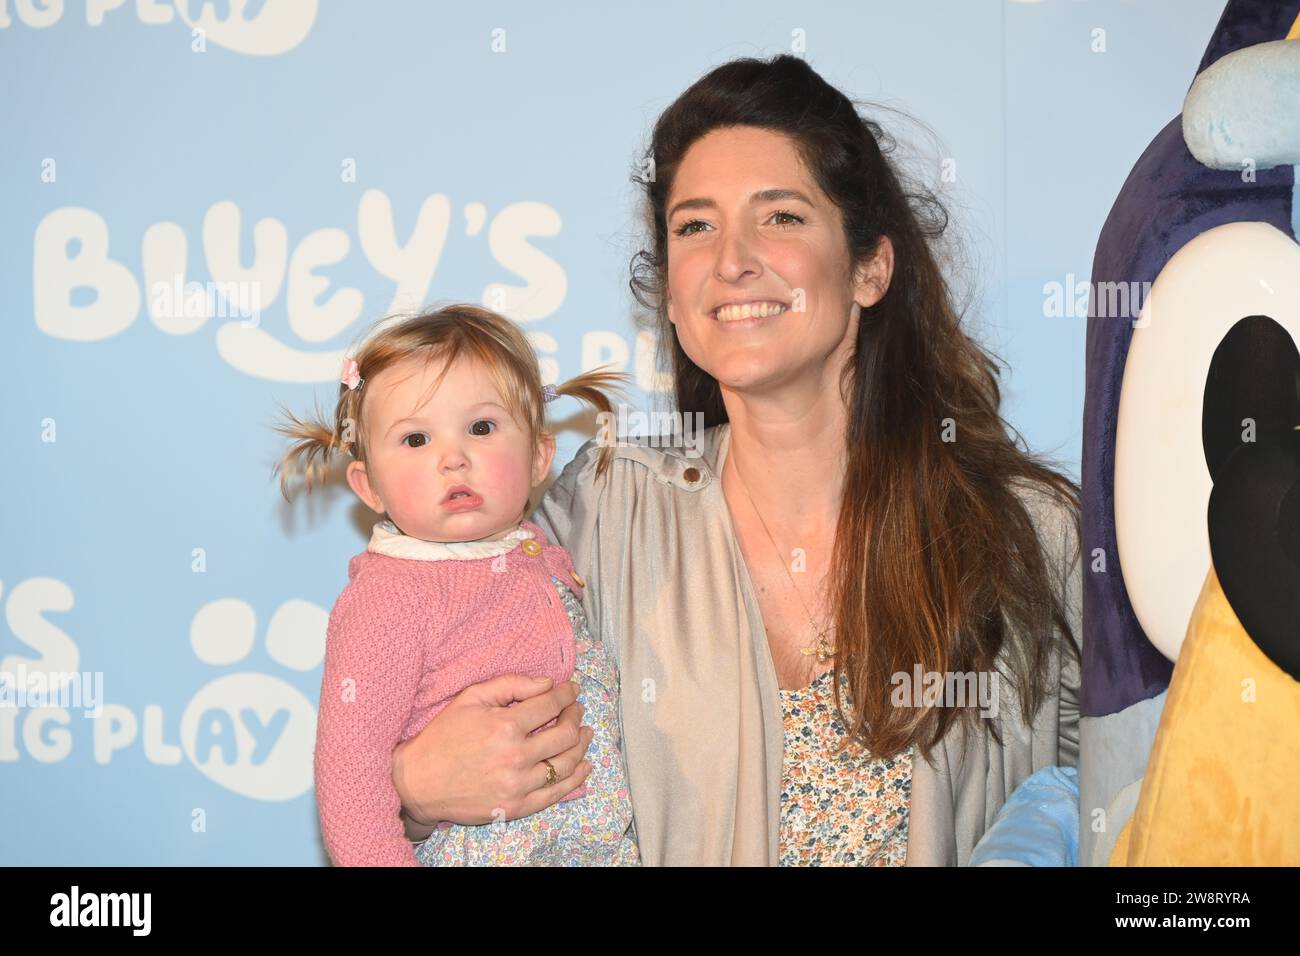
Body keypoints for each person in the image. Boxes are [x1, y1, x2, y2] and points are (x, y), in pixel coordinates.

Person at [392, 54, 1083, 866]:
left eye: (781, 217)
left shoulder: (1028, 535)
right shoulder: (600, 515)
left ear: (870, 268)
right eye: (695, 226)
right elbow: (446, 723)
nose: (732, 258)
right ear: (673, 298)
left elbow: (1131, 796)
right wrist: (410, 791)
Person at [274, 304, 638, 866]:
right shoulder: (390, 597)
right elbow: (350, 777)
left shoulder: (538, 553)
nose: (454, 458)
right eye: (416, 439)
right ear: (369, 485)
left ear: (539, 454)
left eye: (482, 428)